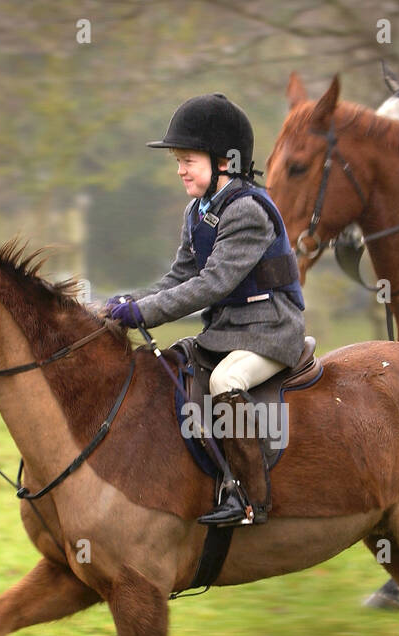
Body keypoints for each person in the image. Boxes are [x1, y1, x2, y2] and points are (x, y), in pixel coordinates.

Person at [105, 93, 306, 525]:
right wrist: (128, 303)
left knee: (224, 380)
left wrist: (144, 315)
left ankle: (250, 498)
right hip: (228, 331)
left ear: (224, 162)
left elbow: (210, 284)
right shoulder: (197, 212)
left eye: (188, 160)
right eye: (178, 160)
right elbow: (176, 279)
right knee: (174, 368)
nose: (180, 169)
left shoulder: (247, 211)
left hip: (270, 330)